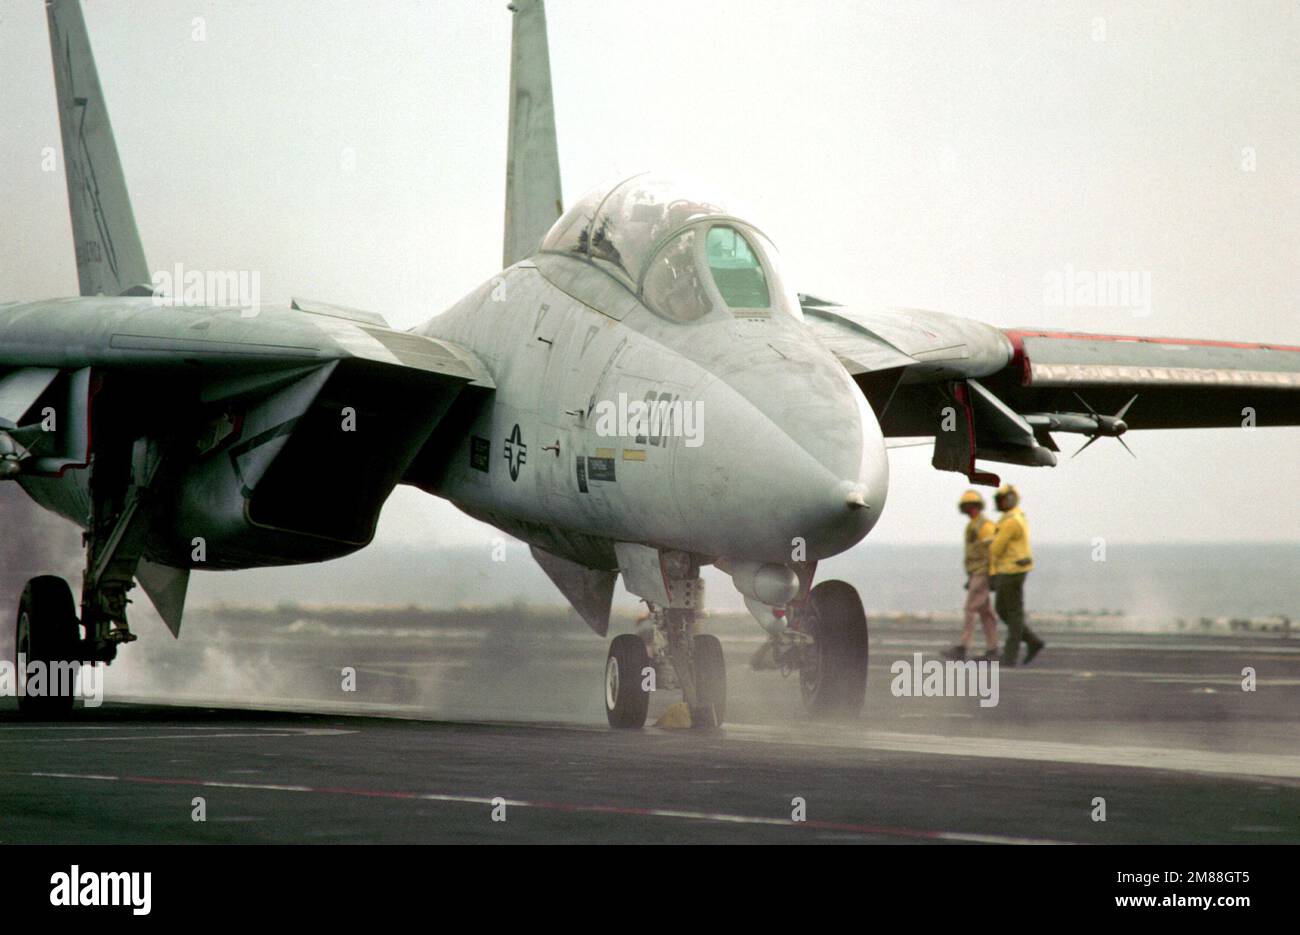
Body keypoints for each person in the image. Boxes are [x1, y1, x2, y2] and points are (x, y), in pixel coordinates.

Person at [989, 484, 1045, 666]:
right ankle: (1032, 641)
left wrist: (990, 549)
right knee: (1003, 610)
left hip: (1012, 570)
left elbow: (997, 548)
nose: (998, 503)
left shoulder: (1012, 520)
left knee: (1013, 615)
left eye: (1001, 499)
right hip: (1011, 569)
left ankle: (1010, 656)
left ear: (1009, 499)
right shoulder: (1013, 518)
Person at [943, 491, 999, 661]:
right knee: (986, 613)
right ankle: (993, 649)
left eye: (970, 506)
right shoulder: (973, 525)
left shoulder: (985, 526)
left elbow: (993, 551)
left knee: (970, 609)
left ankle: (963, 647)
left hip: (982, 572)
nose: (968, 509)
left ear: (976, 507)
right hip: (976, 573)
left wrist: (993, 574)